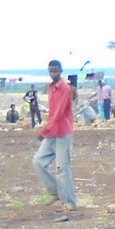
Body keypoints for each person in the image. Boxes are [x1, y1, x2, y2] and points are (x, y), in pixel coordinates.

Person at [33, 60, 77, 218]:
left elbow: (58, 113)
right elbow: (52, 113)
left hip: (63, 132)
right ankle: (55, 192)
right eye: (50, 71)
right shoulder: (51, 87)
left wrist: (43, 131)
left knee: (62, 169)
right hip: (52, 132)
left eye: (55, 71)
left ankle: (69, 202)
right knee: (38, 161)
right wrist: (47, 130)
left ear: (61, 71)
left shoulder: (65, 88)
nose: (53, 74)